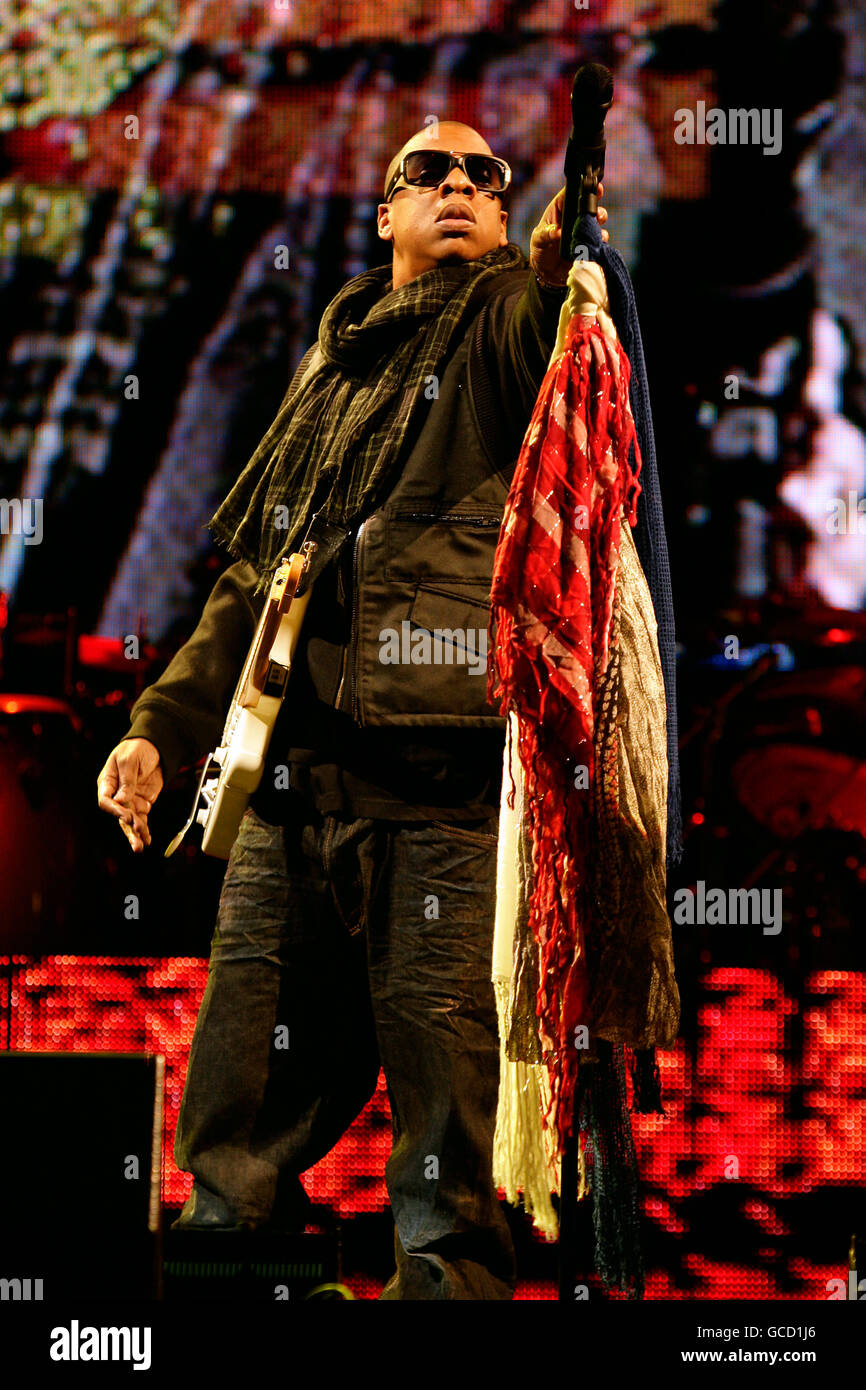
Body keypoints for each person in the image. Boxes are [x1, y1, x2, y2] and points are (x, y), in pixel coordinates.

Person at [96, 121, 610, 1300]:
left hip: (436, 799)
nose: (460, 189)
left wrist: (555, 250)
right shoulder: (335, 363)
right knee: (235, 1131)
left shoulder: (494, 328)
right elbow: (251, 583)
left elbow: (546, 321)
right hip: (288, 803)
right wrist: (155, 730)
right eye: (428, 173)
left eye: (485, 177)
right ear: (383, 212)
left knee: (445, 1159)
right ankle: (233, 1300)